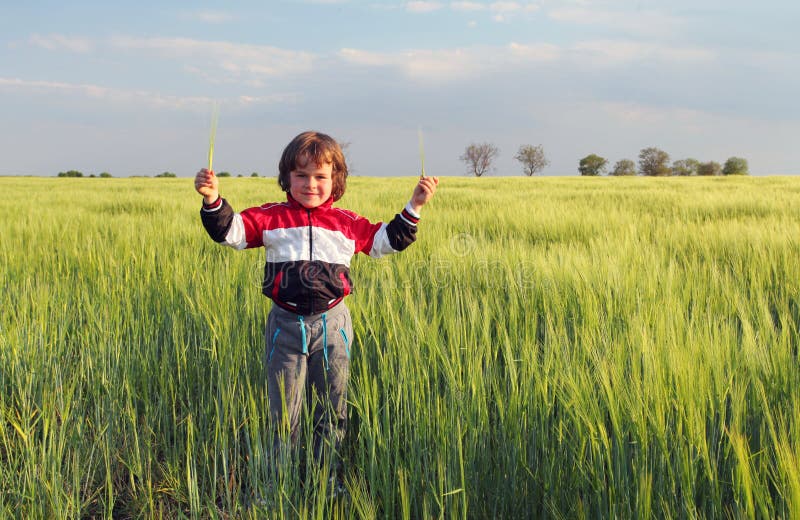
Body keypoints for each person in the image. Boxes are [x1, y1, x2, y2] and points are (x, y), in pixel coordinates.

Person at [194, 131, 438, 496]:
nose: (311, 184)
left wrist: (415, 205)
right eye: (301, 175)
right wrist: (213, 199)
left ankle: (328, 481)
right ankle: (278, 485)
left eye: (321, 176)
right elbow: (231, 232)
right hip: (285, 326)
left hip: (333, 325)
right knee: (284, 413)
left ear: (335, 181)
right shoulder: (271, 218)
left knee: (332, 407)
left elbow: (387, 242)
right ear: (286, 178)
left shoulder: (347, 223)